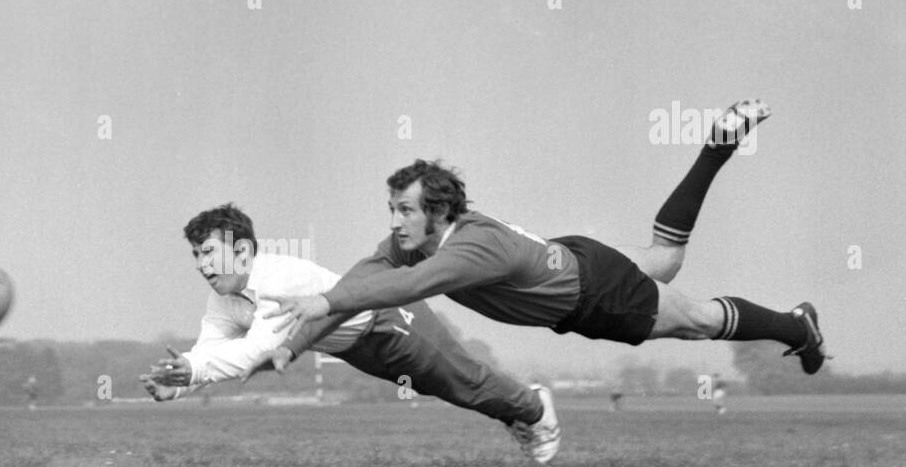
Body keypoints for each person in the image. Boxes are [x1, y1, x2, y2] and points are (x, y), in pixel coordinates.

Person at [269, 101, 827, 384]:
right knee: (663, 259)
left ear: (438, 212)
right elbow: (357, 285)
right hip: (580, 260)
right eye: (392, 209)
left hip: (593, 295)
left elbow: (402, 288)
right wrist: (291, 348)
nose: (394, 221)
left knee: (700, 320)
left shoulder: (467, 251)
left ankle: (797, 325)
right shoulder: (418, 242)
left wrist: (322, 303)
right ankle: (716, 151)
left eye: (405, 210)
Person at [140, 203, 561, 462]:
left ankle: (535, 408)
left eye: (209, 252)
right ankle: (519, 413)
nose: (201, 264)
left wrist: (191, 370)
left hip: (390, 321)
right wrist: (176, 385)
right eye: (196, 254)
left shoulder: (277, 279)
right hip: (358, 348)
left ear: (243, 251)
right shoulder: (225, 299)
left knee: (463, 381)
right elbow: (208, 352)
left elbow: (254, 353)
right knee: (449, 389)